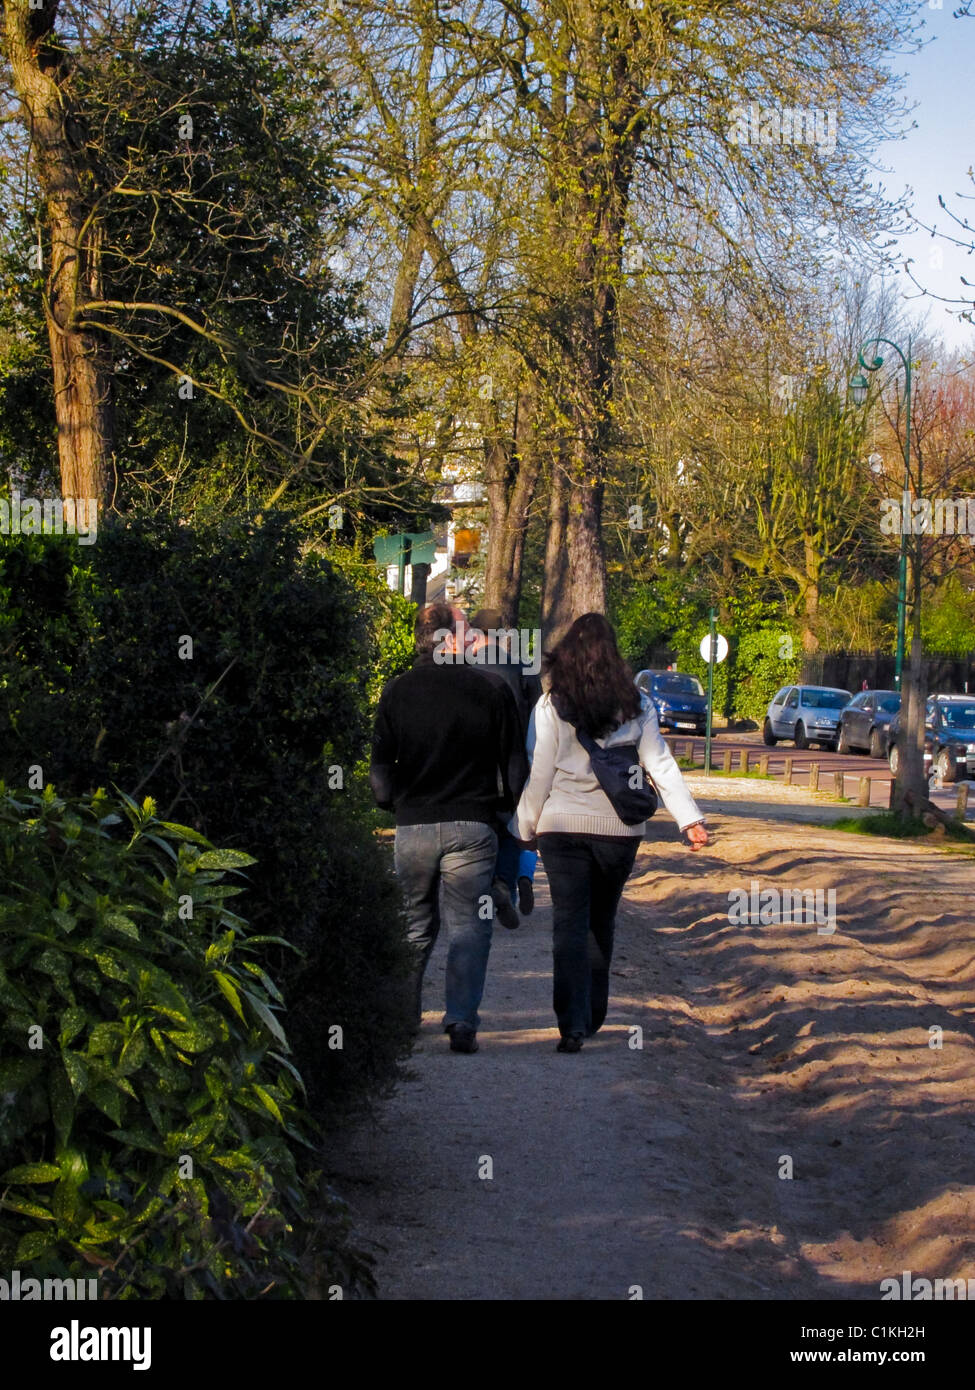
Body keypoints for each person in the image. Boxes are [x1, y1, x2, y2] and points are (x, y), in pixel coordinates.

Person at [509, 613, 709, 1053]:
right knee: (601, 919)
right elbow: (660, 764)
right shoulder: (636, 703)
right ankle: (595, 1011)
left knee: (568, 922)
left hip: (560, 828)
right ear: (614, 654)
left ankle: (572, 1024)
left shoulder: (550, 704)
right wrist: (689, 819)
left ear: (567, 653)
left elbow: (540, 771)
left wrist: (523, 826)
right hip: (620, 830)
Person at [370, 602, 528, 1053]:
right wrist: (503, 811)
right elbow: (515, 767)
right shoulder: (492, 691)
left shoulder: (396, 693)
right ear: (450, 641)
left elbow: (380, 773)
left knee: (414, 924)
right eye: (467, 633)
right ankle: (460, 1021)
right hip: (472, 826)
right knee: (469, 928)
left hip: (413, 825)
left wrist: (391, 803)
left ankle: (402, 1021)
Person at [467, 607, 542, 927]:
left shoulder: (463, 667)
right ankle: (504, 886)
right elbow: (539, 719)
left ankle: (482, 896)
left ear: (474, 633)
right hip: (514, 762)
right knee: (513, 830)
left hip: (474, 763)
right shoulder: (525, 668)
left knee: (478, 831)